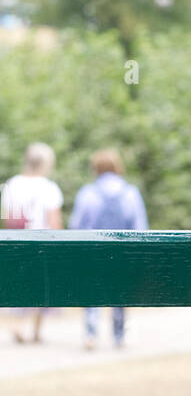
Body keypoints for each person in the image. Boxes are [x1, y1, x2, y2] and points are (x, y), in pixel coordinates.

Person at [68, 149, 149, 349]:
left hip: (94, 253)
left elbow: (76, 224)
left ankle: (91, 333)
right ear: (117, 167)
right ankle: (119, 335)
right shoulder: (130, 192)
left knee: (92, 290)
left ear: (96, 169)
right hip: (122, 253)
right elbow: (140, 227)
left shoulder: (87, 192)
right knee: (120, 291)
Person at [1, 142, 64, 343]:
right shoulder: (49, 187)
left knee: (21, 283)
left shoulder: (12, 184)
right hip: (42, 241)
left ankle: (19, 326)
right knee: (42, 283)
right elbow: (54, 221)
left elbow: (8, 218)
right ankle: (36, 330)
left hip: (18, 241)